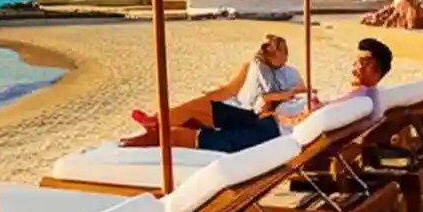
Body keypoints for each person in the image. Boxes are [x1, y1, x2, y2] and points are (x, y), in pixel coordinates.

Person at [123, 38, 392, 152]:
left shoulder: (361, 100)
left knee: (186, 133)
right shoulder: (364, 97)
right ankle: (156, 121)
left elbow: (310, 118)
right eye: (356, 60)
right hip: (268, 123)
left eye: (363, 62)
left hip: (270, 134)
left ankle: (137, 144)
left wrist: (284, 108)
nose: (355, 65)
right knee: (208, 108)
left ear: (375, 69)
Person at [123, 35, 311, 152]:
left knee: (189, 130)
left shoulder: (290, 73)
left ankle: (154, 133)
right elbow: (228, 91)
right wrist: (206, 98)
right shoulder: (251, 67)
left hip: (256, 117)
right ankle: (156, 121)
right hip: (240, 111)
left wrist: (287, 96)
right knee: (201, 106)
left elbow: (301, 94)